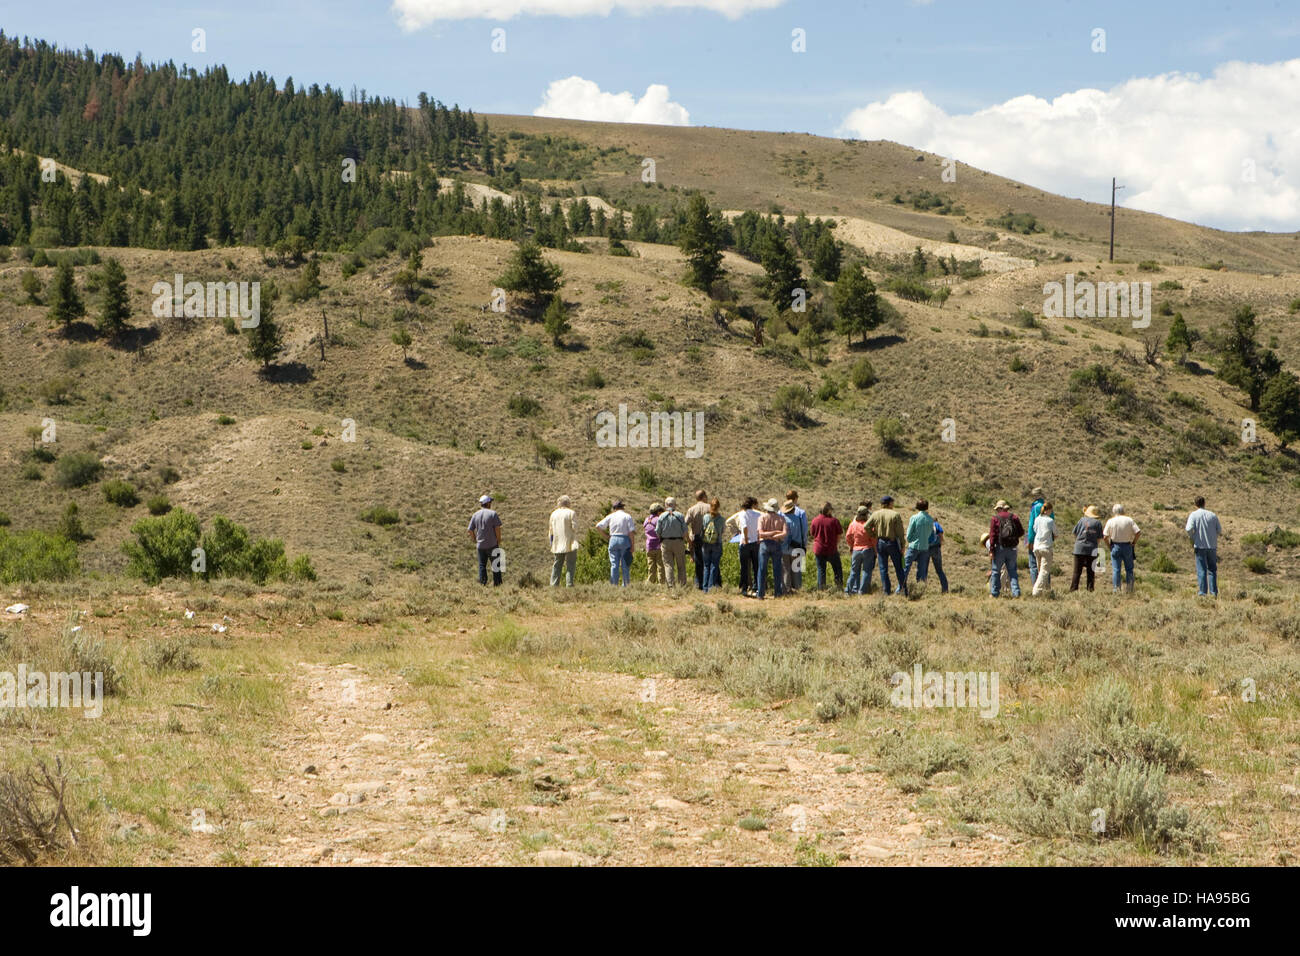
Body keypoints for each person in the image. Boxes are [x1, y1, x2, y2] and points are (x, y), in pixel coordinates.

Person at [867, 495, 906, 595]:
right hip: (892, 543)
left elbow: (866, 526)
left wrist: (874, 535)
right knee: (898, 567)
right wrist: (902, 545)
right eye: (892, 502)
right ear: (889, 503)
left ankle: (886, 591)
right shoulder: (895, 515)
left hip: (880, 542)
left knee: (883, 568)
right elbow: (900, 532)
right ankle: (903, 590)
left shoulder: (876, 514)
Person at [1185, 496, 1223, 597]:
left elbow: (1188, 528)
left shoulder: (1194, 515)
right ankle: (1214, 593)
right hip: (1212, 546)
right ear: (1204, 503)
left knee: (1201, 570)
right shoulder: (1212, 515)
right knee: (1212, 570)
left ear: (1195, 504)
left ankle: (1202, 593)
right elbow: (1219, 530)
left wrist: (1193, 538)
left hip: (1200, 546)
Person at [988, 500, 1024, 598]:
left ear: (1000, 508)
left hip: (1000, 548)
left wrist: (991, 550)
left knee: (996, 571)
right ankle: (1016, 593)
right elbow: (1021, 532)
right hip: (1012, 548)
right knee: (1012, 571)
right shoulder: (1014, 517)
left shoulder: (995, 519)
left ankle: (994, 593)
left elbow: (992, 535)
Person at [596, 500, 637, 586]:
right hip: (624, 539)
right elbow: (631, 532)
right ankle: (626, 585)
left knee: (614, 564)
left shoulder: (611, 516)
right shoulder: (627, 516)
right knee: (625, 564)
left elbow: (598, 526)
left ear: (614, 508)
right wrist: (633, 545)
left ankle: (614, 585)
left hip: (613, 539)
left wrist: (606, 536)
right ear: (622, 507)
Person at [1103, 503, 1141, 593]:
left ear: (1113, 512)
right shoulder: (1129, 520)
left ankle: (1117, 589)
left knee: (1116, 570)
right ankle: (1130, 589)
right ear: (1123, 511)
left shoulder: (1110, 521)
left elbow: (1105, 537)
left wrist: (1109, 547)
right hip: (1127, 546)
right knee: (1129, 569)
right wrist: (1133, 543)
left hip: (1115, 546)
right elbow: (1138, 532)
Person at [900, 499, 935, 594]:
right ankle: (920, 591)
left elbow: (908, 535)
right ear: (927, 507)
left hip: (913, 546)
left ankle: (901, 589)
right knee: (922, 571)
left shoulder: (914, 518)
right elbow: (933, 537)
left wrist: (911, 540)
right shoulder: (930, 519)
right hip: (925, 547)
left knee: (905, 568)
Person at [468, 494, 502, 586]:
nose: (491, 503)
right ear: (487, 503)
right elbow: (497, 528)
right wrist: (498, 540)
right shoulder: (493, 514)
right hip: (492, 544)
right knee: (496, 565)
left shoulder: (475, 515)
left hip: (480, 545)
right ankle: (497, 584)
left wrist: (475, 540)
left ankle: (483, 583)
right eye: (490, 502)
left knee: (482, 565)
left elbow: (470, 530)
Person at [756, 498, 788, 599]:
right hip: (776, 544)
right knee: (777, 569)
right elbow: (784, 533)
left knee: (761, 569)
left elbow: (760, 533)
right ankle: (777, 593)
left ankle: (760, 594)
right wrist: (775, 534)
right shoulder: (781, 519)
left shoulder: (762, 518)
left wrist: (768, 534)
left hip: (764, 544)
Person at [809, 502, 844, 591]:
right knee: (837, 569)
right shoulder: (834, 521)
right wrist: (836, 543)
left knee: (821, 570)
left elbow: (812, 534)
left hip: (819, 549)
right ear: (828, 510)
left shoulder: (815, 520)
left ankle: (821, 590)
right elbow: (839, 534)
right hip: (831, 549)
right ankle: (839, 587)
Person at [656, 497, 689, 588]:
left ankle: (671, 586)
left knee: (668, 565)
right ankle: (682, 585)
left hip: (666, 542)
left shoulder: (662, 516)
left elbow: (657, 532)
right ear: (675, 505)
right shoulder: (680, 516)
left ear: (666, 505)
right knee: (681, 565)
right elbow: (685, 531)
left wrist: (662, 539)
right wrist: (683, 539)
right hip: (678, 542)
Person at [1070, 505, 1104, 592]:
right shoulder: (1098, 523)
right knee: (1091, 572)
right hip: (1092, 549)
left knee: (1077, 571)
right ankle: (1090, 589)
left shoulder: (1081, 520)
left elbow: (1075, 533)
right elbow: (1099, 538)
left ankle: (1073, 589)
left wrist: (1079, 541)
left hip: (1079, 548)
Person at [844, 505, 877, 594]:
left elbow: (848, 537)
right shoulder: (869, 525)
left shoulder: (853, 524)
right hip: (868, 549)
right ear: (866, 514)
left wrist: (851, 546)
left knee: (854, 571)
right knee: (866, 571)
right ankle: (862, 591)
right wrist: (875, 551)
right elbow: (873, 539)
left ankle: (848, 591)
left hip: (856, 550)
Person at [548, 495, 578, 587]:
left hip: (557, 543)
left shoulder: (553, 514)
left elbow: (550, 530)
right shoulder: (571, 513)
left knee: (557, 565)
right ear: (568, 503)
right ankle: (569, 584)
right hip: (570, 542)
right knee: (570, 564)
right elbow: (575, 527)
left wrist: (551, 542)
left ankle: (554, 584)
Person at [782, 490, 808, 591]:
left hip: (784, 547)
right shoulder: (801, 513)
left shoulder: (781, 514)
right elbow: (804, 531)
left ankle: (786, 591)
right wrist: (804, 545)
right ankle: (798, 590)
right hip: (797, 547)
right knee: (797, 571)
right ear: (796, 498)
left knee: (785, 571)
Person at [685, 490, 711, 590]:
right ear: (704, 496)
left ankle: (699, 584)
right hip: (709, 537)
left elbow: (685, 524)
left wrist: (688, 538)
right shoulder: (710, 507)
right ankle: (709, 583)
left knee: (699, 561)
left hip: (697, 537)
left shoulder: (692, 510)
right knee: (709, 561)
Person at [736, 497, 761, 596]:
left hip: (745, 543)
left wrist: (746, 539)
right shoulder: (758, 514)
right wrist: (758, 538)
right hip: (755, 542)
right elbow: (759, 528)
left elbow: (744, 527)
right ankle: (756, 588)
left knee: (744, 567)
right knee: (756, 566)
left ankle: (744, 588)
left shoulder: (742, 514)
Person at [700, 498, 726, 593]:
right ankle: (711, 587)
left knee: (706, 566)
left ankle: (705, 588)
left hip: (706, 544)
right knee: (714, 565)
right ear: (718, 507)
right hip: (717, 543)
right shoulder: (722, 519)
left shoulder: (705, 517)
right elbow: (722, 531)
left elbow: (702, 529)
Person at [1031, 501, 1056, 596]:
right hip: (1046, 547)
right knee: (1044, 571)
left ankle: (1047, 591)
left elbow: (1034, 529)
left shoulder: (1037, 519)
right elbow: (1056, 533)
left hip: (1037, 547)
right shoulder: (1050, 521)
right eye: (1051, 510)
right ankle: (1036, 591)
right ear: (1048, 510)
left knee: (1040, 570)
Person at [1025, 487, 1046, 584]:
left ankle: (1035, 586)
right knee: (1045, 566)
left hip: (1035, 539)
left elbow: (1031, 525)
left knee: (1033, 565)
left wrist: (1029, 540)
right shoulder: (1047, 506)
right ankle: (1046, 586)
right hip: (1046, 540)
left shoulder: (1035, 507)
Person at [644, 503, 665, 585]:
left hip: (649, 546)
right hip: (658, 546)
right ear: (658, 511)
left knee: (651, 566)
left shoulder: (646, 520)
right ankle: (661, 582)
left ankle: (650, 582)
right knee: (660, 566)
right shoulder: (659, 520)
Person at [928, 513, 949, 594]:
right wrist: (941, 542)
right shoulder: (936, 524)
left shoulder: (926, 525)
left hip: (926, 549)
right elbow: (940, 534)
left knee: (924, 570)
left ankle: (922, 588)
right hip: (936, 549)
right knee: (939, 570)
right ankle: (945, 589)